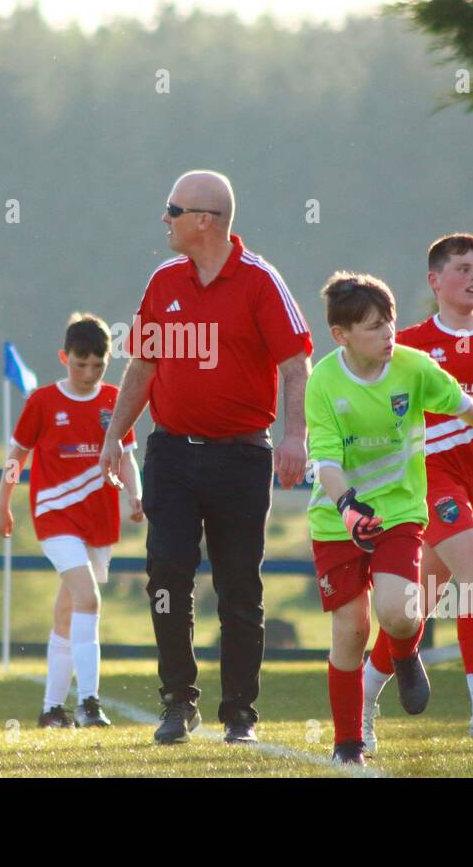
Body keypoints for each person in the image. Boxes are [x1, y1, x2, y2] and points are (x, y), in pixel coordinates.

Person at [98, 170, 313, 746]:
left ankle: (239, 715)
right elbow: (142, 366)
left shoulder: (261, 282)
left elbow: (296, 363)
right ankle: (178, 702)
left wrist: (295, 439)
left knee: (239, 585)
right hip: (170, 454)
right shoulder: (163, 281)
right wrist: (116, 436)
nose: (163, 220)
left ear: (204, 220)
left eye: (172, 209)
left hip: (242, 458)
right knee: (166, 570)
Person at [304, 271, 473, 765]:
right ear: (341, 335)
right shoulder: (323, 380)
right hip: (336, 519)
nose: (388, 335)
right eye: (373, 327)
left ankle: (404, 653)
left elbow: (462, 404)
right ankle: (348, 745)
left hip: (401, 512)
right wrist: (346, 506)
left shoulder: (413, 367)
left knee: (401, 611)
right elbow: (325, 462)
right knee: (350, 631)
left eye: (389, 323)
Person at [362, 234, 473, 749]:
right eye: (462, 268)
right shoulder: (408, 343)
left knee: (413, 610)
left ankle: (359, 704)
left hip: (472, 482)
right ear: (435, 280)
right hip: (428, 482)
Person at [0, 313, 143, 729]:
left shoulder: (114, 399)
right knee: (89, 599)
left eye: (98, 365)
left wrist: (135, 494)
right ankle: (90, 703)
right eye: (81, 364)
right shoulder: (42, 402)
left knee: (66, 614)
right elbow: (16, 457)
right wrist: (2, 502)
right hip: (54, 517)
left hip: (98, 520)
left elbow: (128, 456)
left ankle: (50, 710)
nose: (89, 373)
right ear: (64, 358)